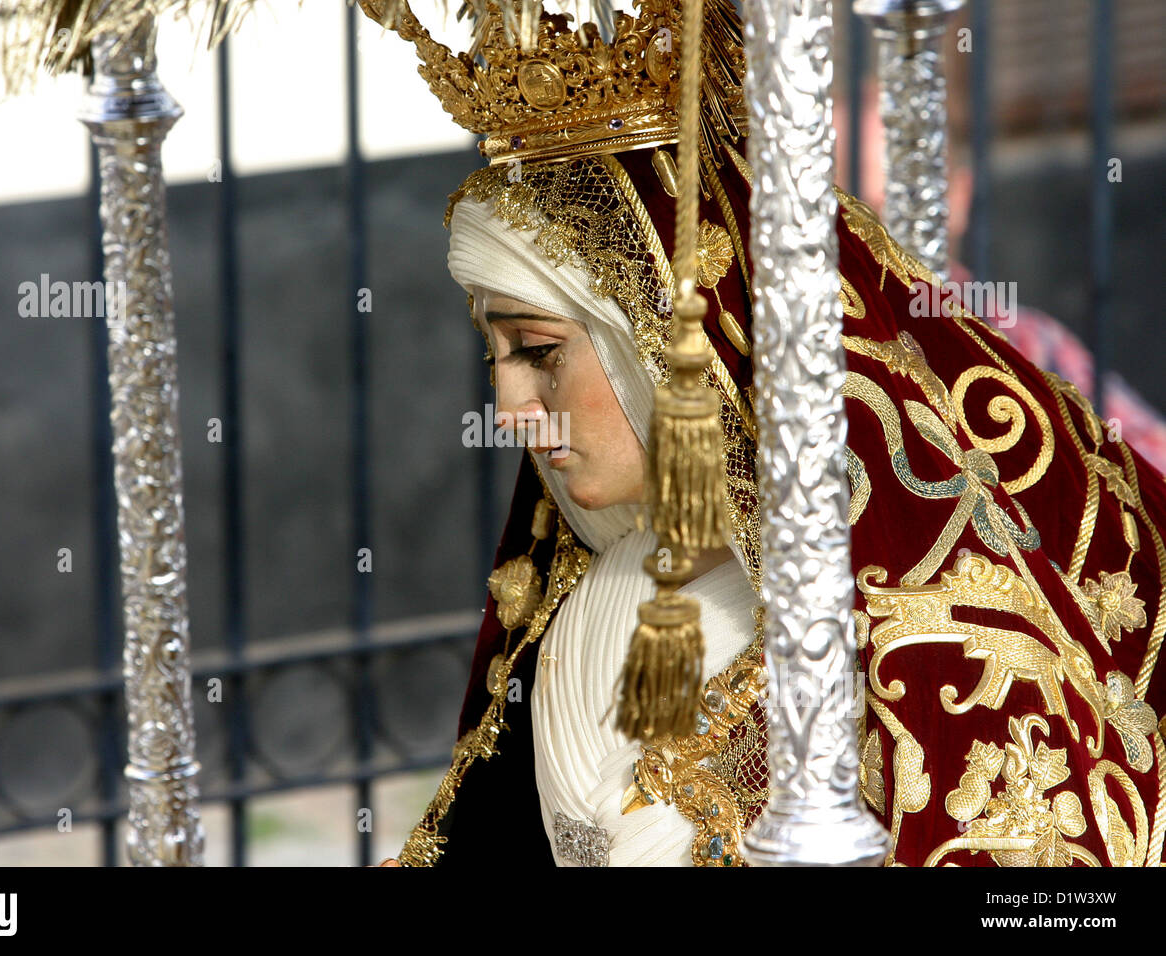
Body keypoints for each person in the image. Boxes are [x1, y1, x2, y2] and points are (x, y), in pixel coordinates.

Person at [363, 0, 1166, 868]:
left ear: (664, 340)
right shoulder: (587, 610)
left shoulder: (926, 642)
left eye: (538, 350)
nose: (514, 409)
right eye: (495, 354)